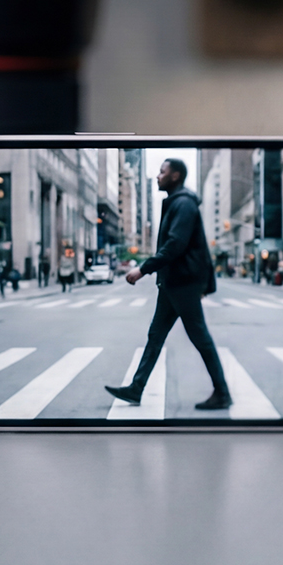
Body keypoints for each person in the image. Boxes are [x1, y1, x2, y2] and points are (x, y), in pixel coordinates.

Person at [106, 158, 233, 412]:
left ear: (175, 176)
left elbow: (176, 244)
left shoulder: (184, 204)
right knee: (155, 336)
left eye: (162, 171)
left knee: (200, 337)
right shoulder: (177, 203)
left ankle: (222, 393)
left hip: (182, 283)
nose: (157, 175)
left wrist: (143, 268)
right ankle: (136, 388)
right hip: (173, 282)